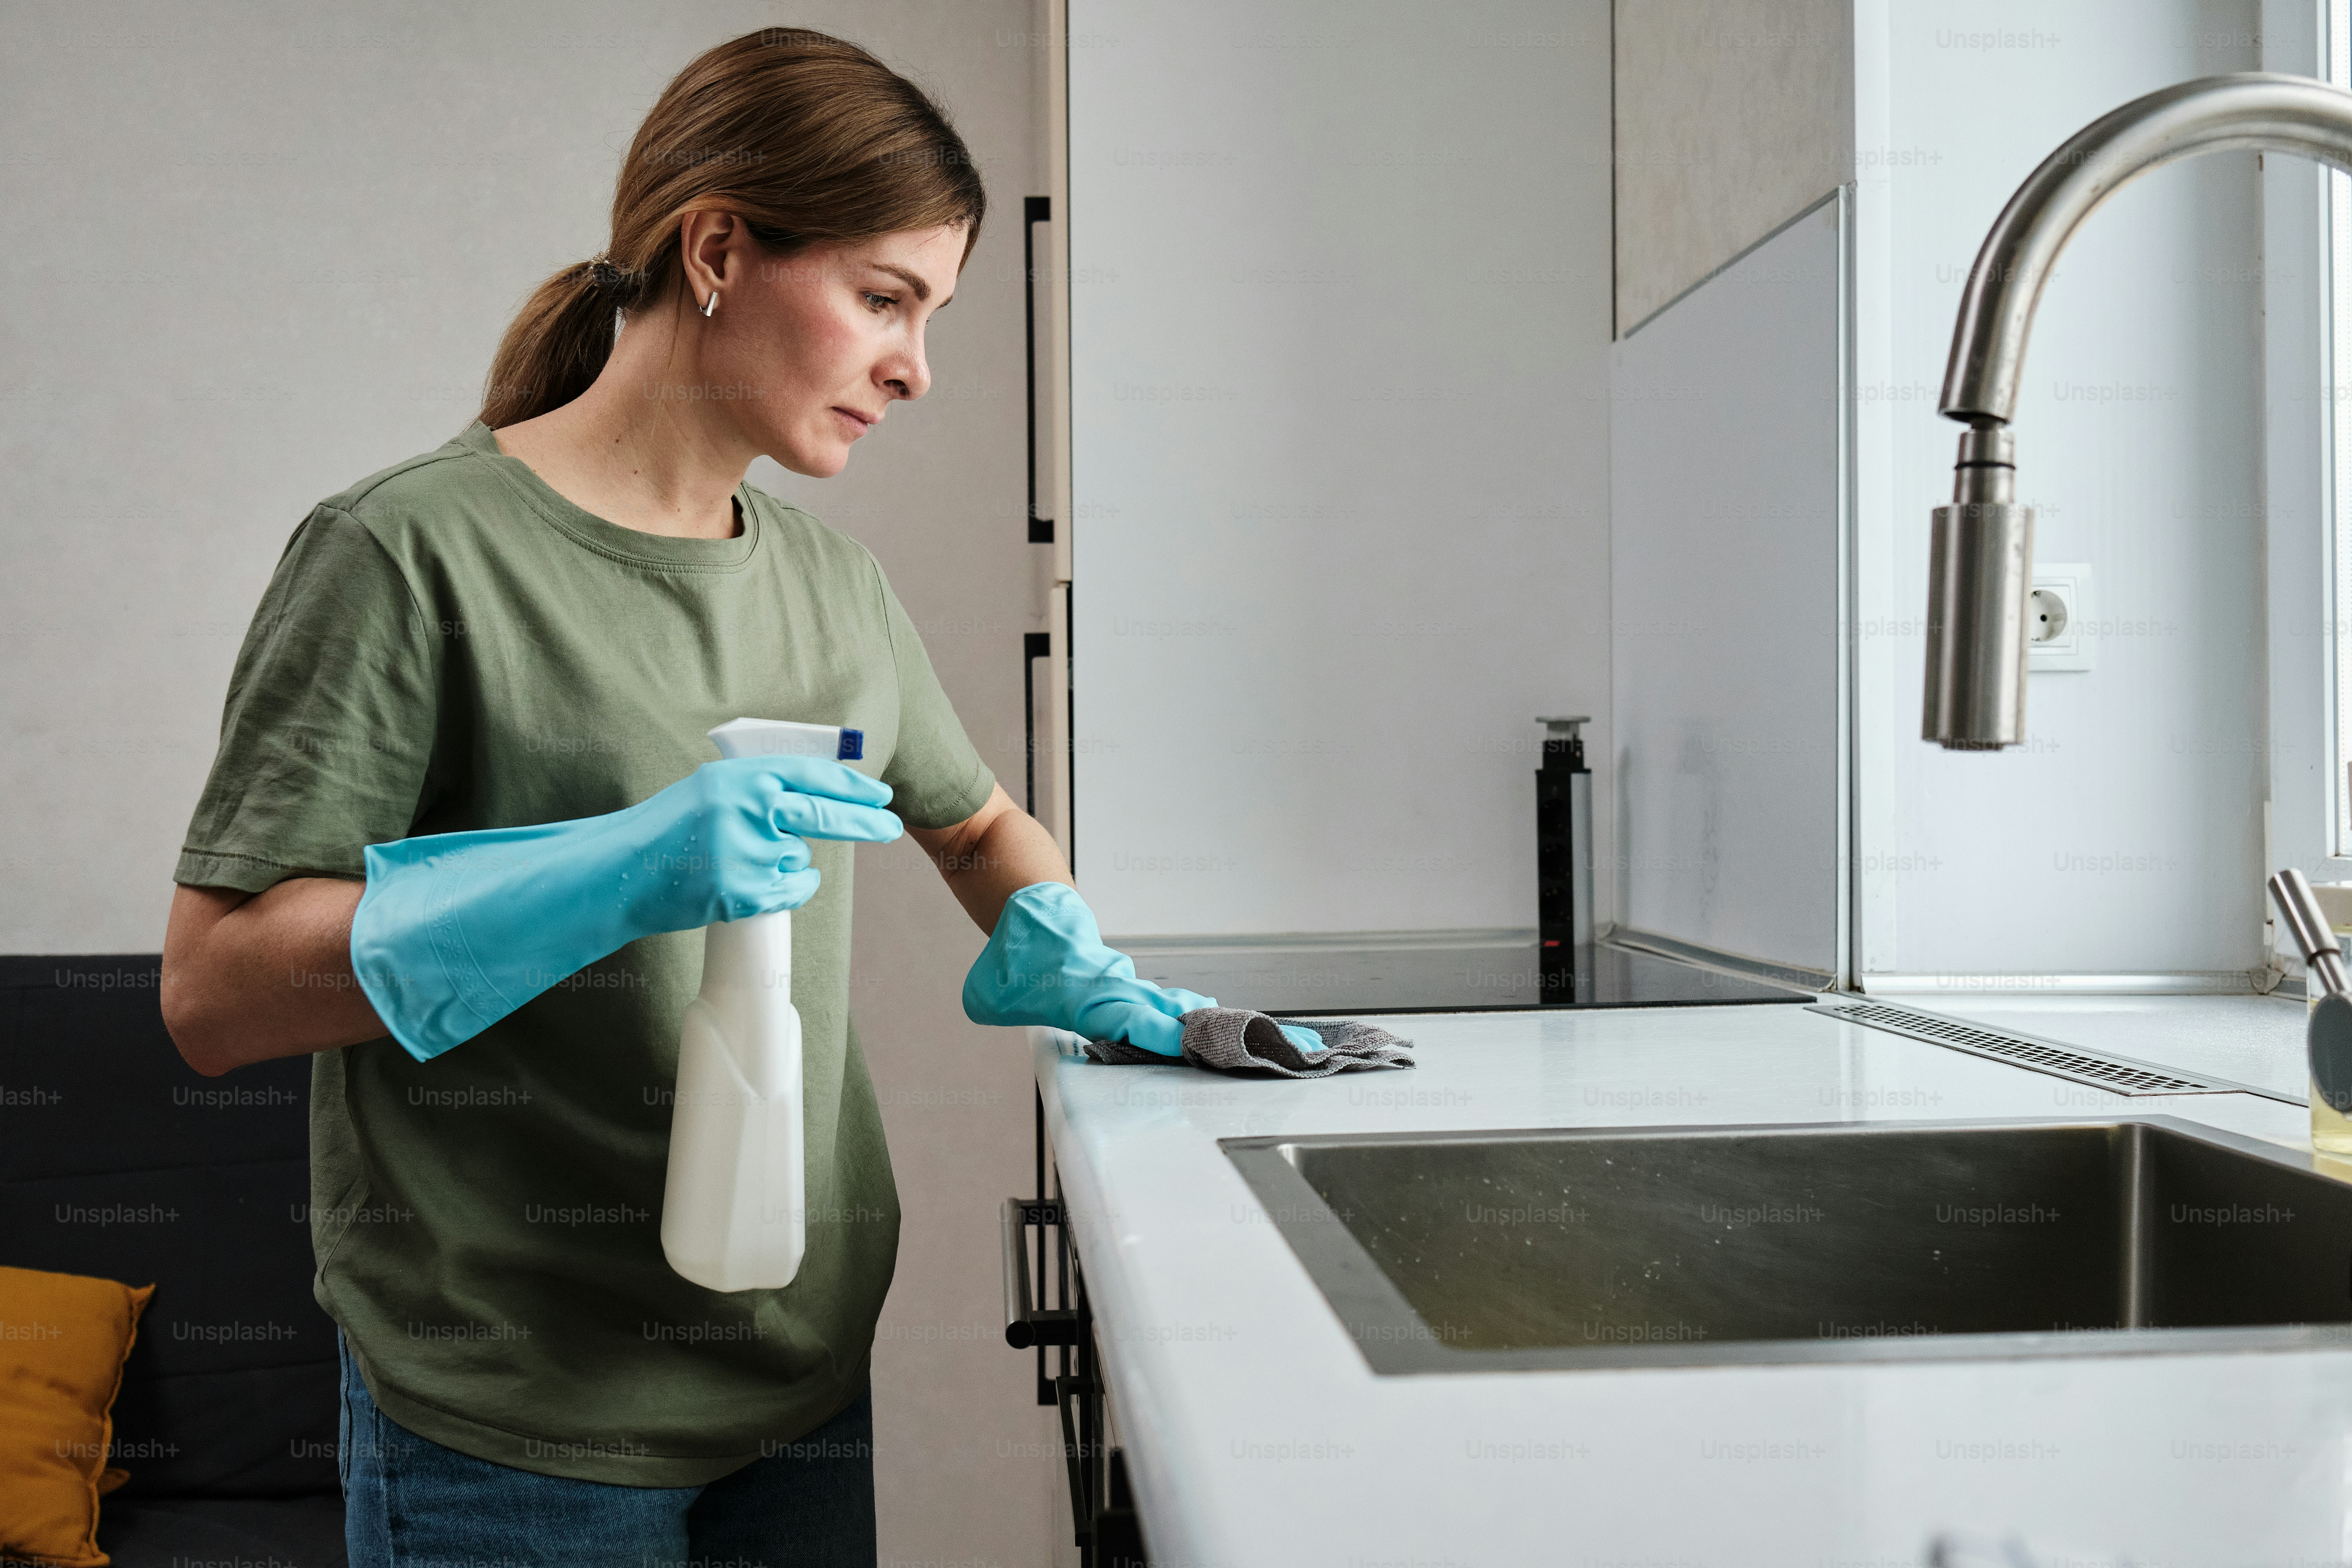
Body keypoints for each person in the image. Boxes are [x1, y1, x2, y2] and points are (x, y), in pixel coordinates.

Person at [156, 27, 1306, 1566]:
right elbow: (215, 992)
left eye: (932, 313)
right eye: (885, 298)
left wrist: (1070, 953)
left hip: (798, 1388)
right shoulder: (405, 557)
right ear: (716, 249)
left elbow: (967, 823)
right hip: (515, 1431)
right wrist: (613, 867)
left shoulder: (834, 589)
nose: (917, 366)